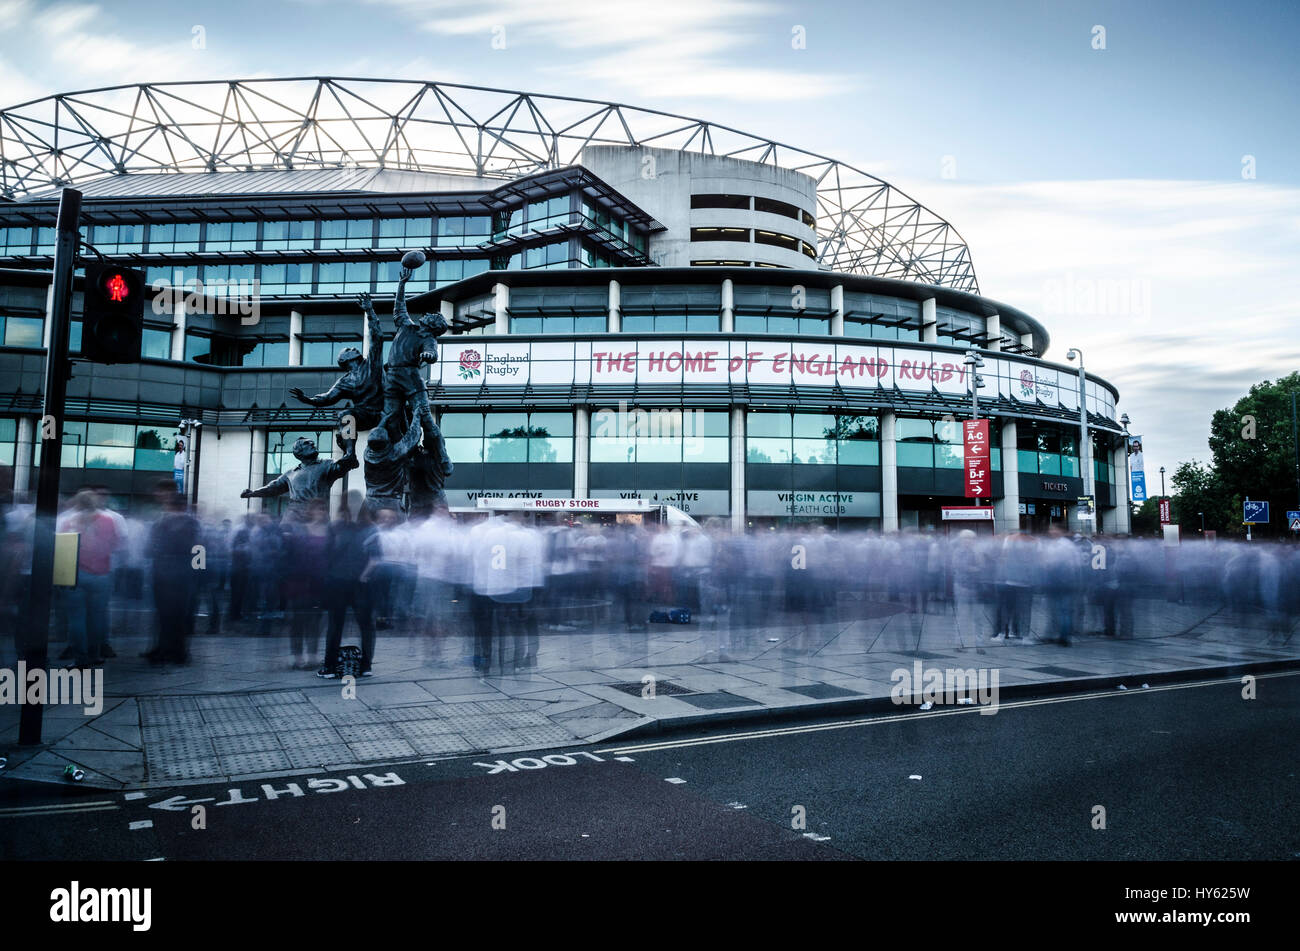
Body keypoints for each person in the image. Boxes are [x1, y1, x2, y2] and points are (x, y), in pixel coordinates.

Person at [289, 292, 386, 455]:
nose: (353, 348)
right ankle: (350, 453)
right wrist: (307, 399)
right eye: (348, 349)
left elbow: (377, 337)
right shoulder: (345, 382)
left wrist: (370, 311)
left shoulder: (372, 364)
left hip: (386, 410)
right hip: (365, 415)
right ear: (345, 360)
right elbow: (327, 398)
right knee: (345, 416)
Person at [382, 265, 453, 477]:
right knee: (391, 418)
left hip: (411, 380)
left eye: (433, 315)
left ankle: (442, 456)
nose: (429, 313)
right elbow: (399, 307)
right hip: (392, 378)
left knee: (425, 418)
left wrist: (429, 356)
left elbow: (432, 352)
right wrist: (402, 284)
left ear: (433, 325)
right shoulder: (406, 326)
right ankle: (401, 455)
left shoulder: (428, 338)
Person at [55, 488, 121, 668]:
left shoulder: (68, 521)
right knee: (97, 617)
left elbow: (62, 549)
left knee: (76, 618)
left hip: (75, 575)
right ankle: (95, 655)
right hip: (101, 575)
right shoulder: (108, 521)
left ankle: (80, 658)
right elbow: (115, 545)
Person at [319, 506, 380, 678]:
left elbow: (326, 554)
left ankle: (329, 667)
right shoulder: (371, 528)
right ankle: (366, 666)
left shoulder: (335, 527)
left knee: (335, 624)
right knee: (367, 625)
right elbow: (375, 558)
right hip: (361, 584)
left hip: (338, 581)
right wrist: (364, 575)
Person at [240, 436, 356, 523]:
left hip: (316, 519)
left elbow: (348, 463)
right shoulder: (290, 473)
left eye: (312, 443)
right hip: (292, 520)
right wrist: (253, 493)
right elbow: (272, 488)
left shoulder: (327, 465)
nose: (312, 444)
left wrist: (349, 447)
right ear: (298, 452)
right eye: (307, 444)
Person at [145, 490, 200, 665]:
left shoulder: (160, 524)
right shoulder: (193, 524)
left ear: (170, 505)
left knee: (163, 614)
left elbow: (148, 550)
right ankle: (179, 652)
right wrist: (198, 573)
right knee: (180, 614)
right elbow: (200, 550)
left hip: (162, 573)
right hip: (184, 574)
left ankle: (163, 649)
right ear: (184, 506)